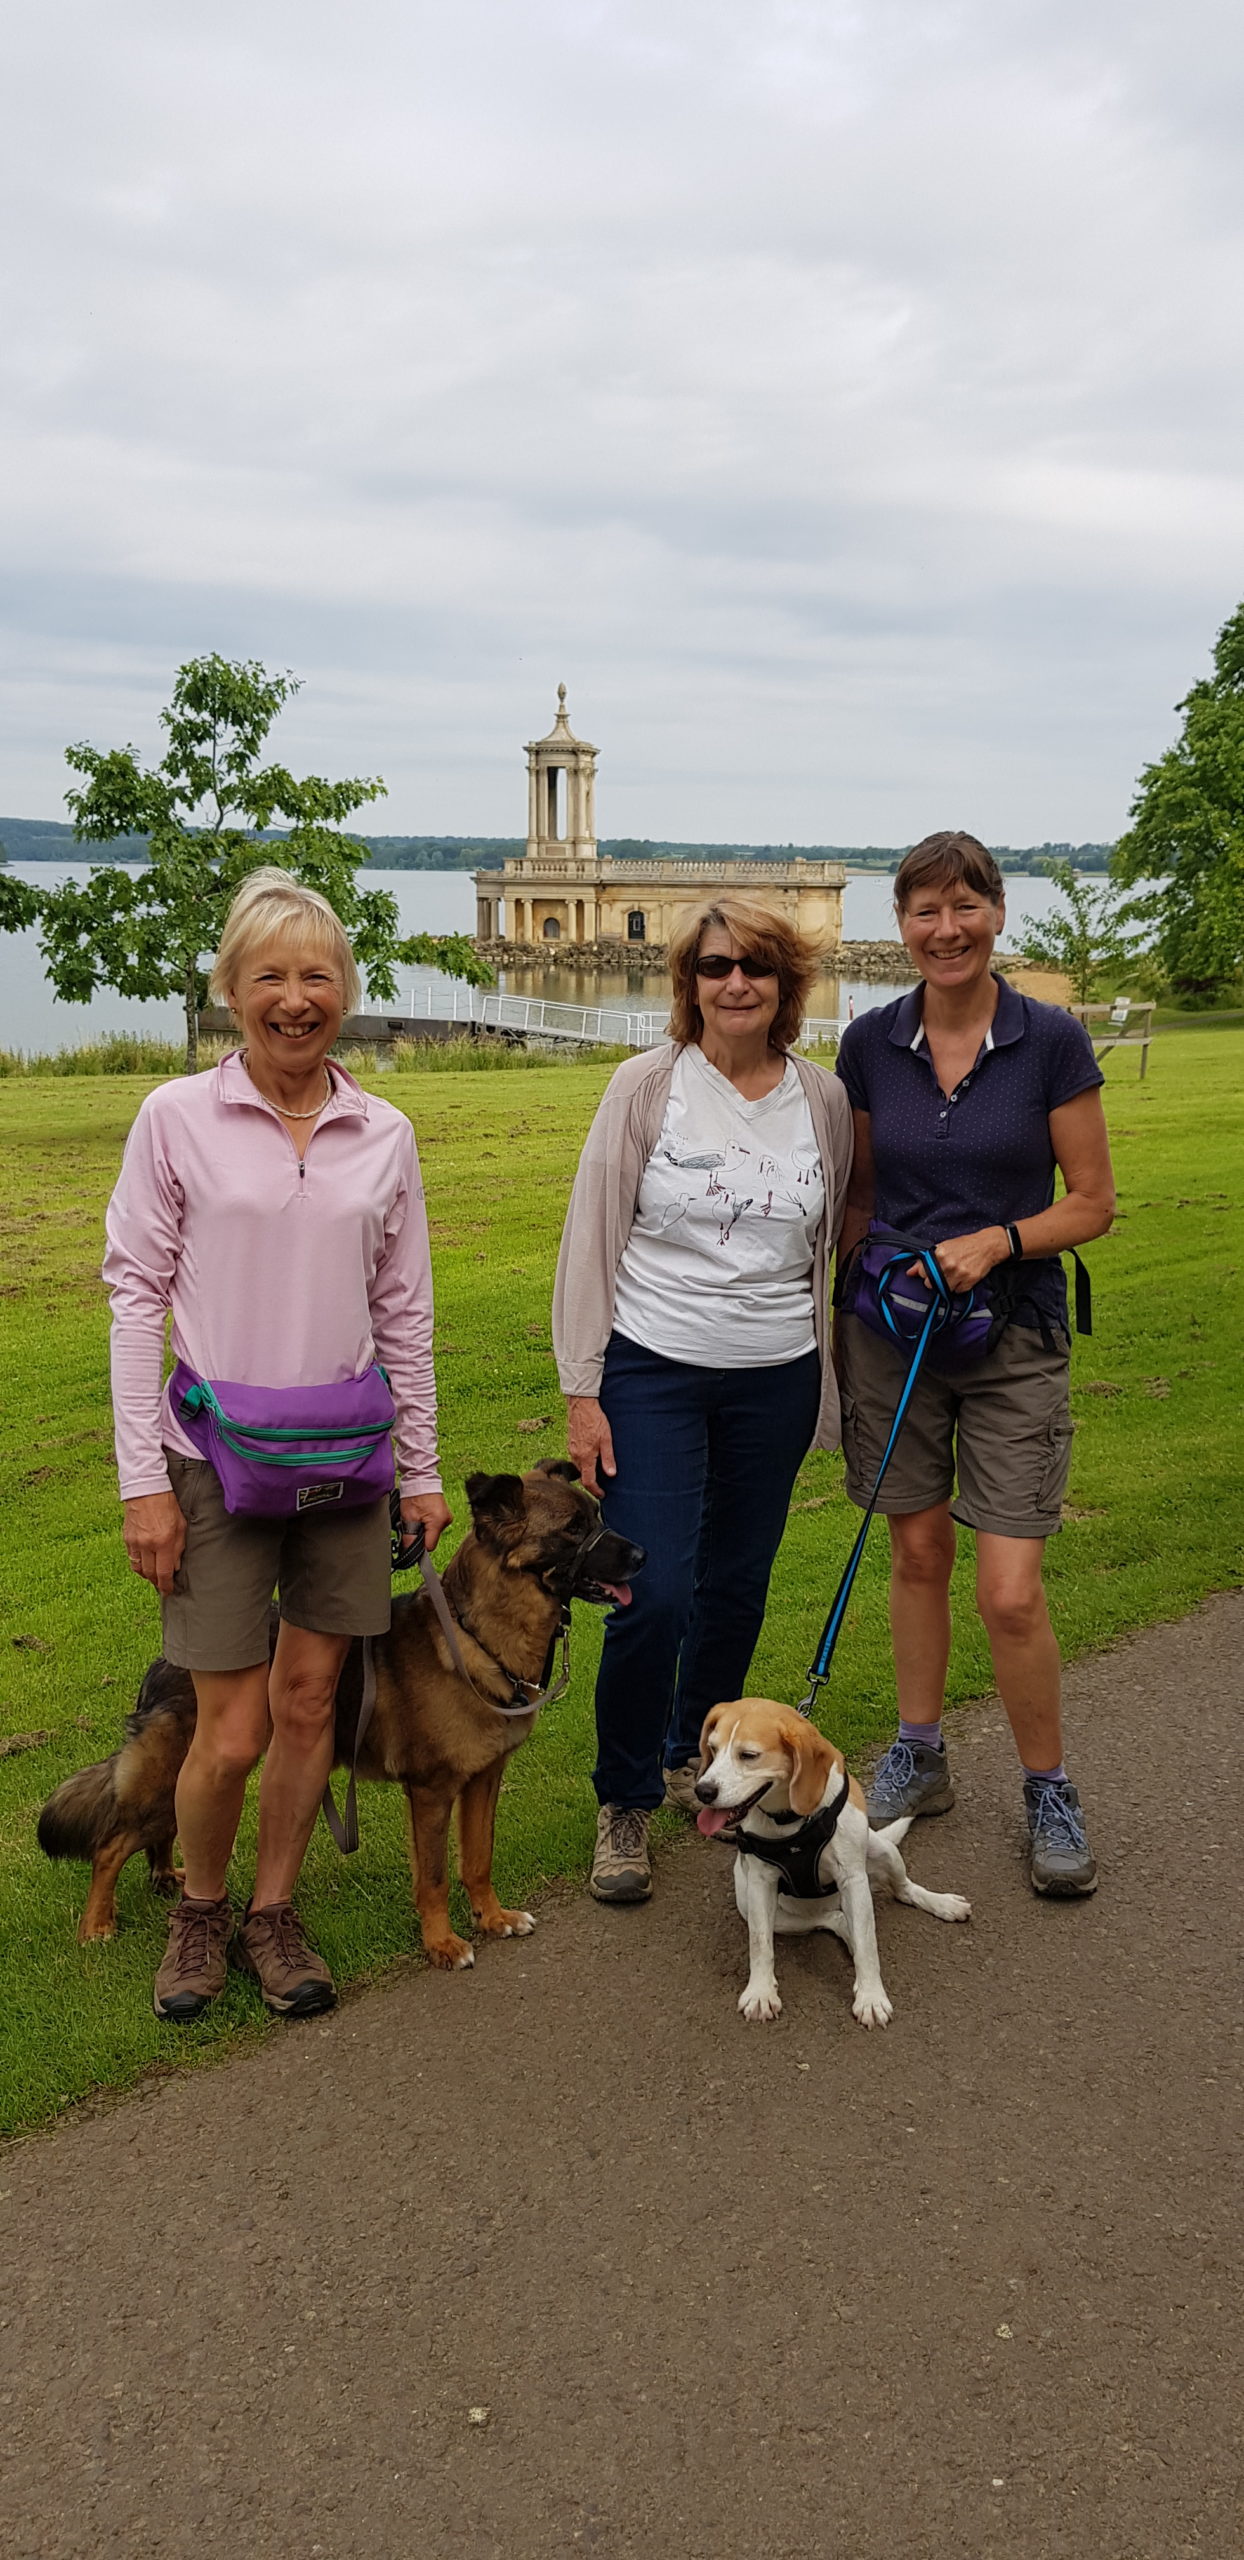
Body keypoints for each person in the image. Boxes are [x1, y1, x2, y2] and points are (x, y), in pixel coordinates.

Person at [104, 869, 451, 2021]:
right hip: (213, 1464)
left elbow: (403, 1310)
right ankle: (200, 1911)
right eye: (269, 977)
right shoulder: (175, 1118)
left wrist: (423, 1468)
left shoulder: (383, 1129)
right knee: (233, 1725)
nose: (295, 999)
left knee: (310, 1708)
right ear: (230, 990)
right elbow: (132, 1299)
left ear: (345, 990)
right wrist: (142, 1484)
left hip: (347, 1464)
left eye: (317, 976)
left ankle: (273, 1910)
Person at [552, 894, 853, 1905]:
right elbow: (589, 1232)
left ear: (785, 987)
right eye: (716, 967)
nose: (736, 984)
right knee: (654, 1591)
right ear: (688, 983)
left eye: (756, 969)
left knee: (734, 1586)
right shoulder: (645, 1086)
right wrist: (581, 1389)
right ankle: (624, 1795)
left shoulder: (820, 1097)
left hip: (773, 1372)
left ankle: (697, 1759)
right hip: (652, 1366)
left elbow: (825, 1244)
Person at [834, 831, 1116, 1893]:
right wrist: (844, 1301)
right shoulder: (867, 1041)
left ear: (996, 911)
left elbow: (1090, 1201)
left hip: (1011, 1336)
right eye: (921, 911)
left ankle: (1046, 1784)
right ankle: (920, 1749)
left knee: (1007, 1590)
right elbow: (859, 1196)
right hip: (891, 1336)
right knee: (913, 1554)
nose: (942, 929)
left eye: (963, 907)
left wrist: (999, 1239)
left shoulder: (1048, 1040)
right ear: (898, 924)